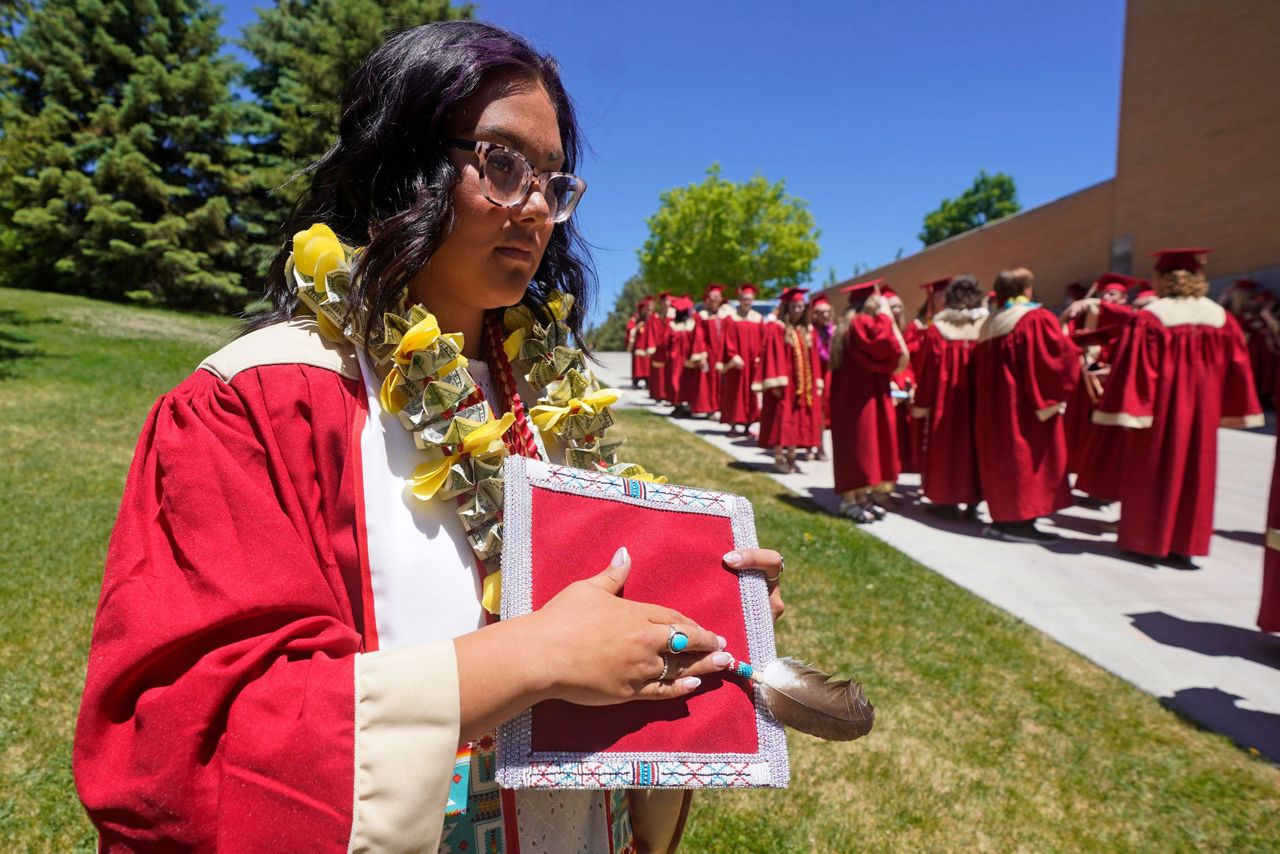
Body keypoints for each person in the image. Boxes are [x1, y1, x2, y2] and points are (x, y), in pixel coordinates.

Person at [72, 22, 787, 852]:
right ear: (402, 157)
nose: (535, 210)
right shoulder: (262, 402)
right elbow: (193, 735)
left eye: (553, 182)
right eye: (502, 162)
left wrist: (706, 606)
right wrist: (529, 660)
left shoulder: (552, 404)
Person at [1094, 248, 1262, 566]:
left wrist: (1130, 406)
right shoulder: (1221, 318)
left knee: (1153, 470)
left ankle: (1147, 540)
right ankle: (1184, 544)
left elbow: (1138, 370)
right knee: (1194, 473)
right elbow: (1238, 368)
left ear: (1165, 278)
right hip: (1202, 413)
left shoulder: (1153, 317)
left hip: (1160, 412)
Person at [974, 267, 1080, 543]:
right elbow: (1056, 359)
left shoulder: (990, 323)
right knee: (1025, 460)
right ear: (1026, 290)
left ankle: (1002, 518)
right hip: (1024, 408)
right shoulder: (1033, 318)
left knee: (1003, 461)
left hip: (993, 410)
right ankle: (1019, 524)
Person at [829, 280, 907, 522]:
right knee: (858, 447)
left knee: (863, 447)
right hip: (858, 396)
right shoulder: (860, 323)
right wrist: (886, 316)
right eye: (877, 298)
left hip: (858, 394)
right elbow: (884, 345)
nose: (881, 302)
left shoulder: (850, 323)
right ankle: (849, 501)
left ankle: (861, 497)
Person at [911, 275, 987, 519]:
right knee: (976, 449)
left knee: (948, 450)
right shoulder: (986, 328)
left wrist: (922, 403)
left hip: (948, 403)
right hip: (978, 402)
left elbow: (927, 372)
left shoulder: (938, 330)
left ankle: (946, 502)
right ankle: (974, 501)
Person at [758, 287, 824, 473]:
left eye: (801, 306)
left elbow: (814, 359)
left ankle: (792, 456)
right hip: (783, 384)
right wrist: (775, 383)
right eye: (794, 306)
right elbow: (771, 356)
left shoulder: (806, 330)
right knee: (781, 420)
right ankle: (779, 458)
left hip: (802, 386)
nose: (798, 310)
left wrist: (816, 382)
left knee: (796, 421)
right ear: (787, 307)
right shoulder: (777, 328)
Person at [718, 283, 765, 435]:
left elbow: (762, 340)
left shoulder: (757, 318)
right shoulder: (731, 318)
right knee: (735, 392)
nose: (747, 302)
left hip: (752, 363)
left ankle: (748, 423)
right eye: (745, 299)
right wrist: (733, 356)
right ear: (739, 299)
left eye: (750, 299)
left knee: (750, 393)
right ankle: (732, 423)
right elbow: (727, 340)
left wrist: (759, 357)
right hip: (736, 363)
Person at [671, 296, 715, 417]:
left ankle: (689, 406)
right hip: (679, 360)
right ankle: (680, 406)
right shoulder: (674, 325)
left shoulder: (693, 323)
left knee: (692, 384)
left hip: (689, 359)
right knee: (679, 382)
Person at [810, 293, 835, 460]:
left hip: (829, 374)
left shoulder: (834, 331)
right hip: (812, 374)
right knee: (813, 411)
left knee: (823, 413)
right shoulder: (809, 331)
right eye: (821, 312)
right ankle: (810, 446)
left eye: (827, 312)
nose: (825, 315)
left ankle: (819, 446)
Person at [627, 296, 652, 388]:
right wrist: (637, 327)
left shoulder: (649, 319)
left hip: (647, 347)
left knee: (647, 365)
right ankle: (635, 382)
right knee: (637, 365)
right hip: (638, 346)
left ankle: (648, 382)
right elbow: (630, 328)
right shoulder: (635, 318)